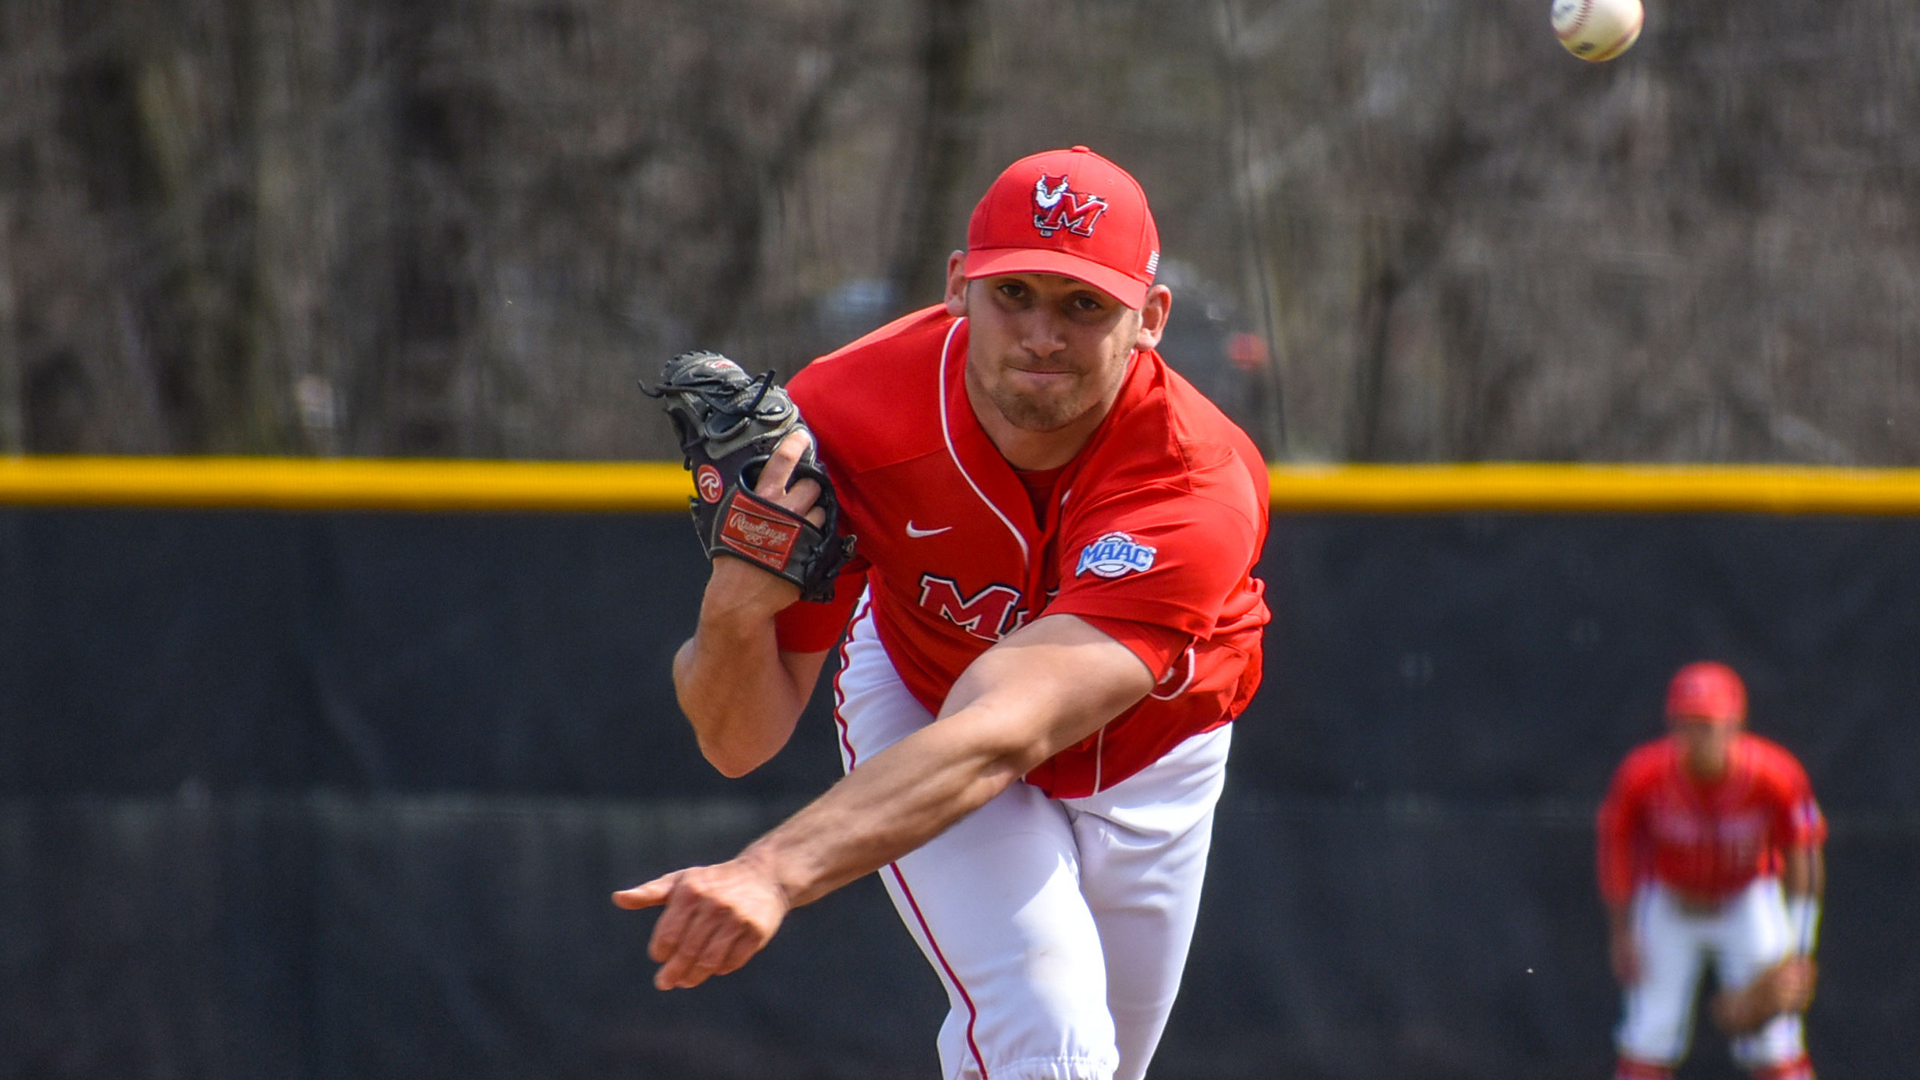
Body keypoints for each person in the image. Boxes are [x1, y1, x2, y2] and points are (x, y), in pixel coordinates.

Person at [613, 145, 1271, 1080]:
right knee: (1051, 1041)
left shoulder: (1196, 479)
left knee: (1106, 1066)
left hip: (1152, 756)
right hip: (921, 695)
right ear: (960, 285)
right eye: (1016, 294)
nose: (1043, 334)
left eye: (1084, 304)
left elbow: (1006, 729)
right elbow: (737, 741)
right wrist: (732, 609)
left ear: (1150, 319)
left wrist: (772, 871)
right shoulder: (849, 415)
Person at [1596, 660, 1827, 1080]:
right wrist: (1622, 930)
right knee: (1648, 1033)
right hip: (1671, 903)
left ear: (1734, 724)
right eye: (1685, 724)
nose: (1695, 737)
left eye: (1707, 724)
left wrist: (1798, 947)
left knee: (1775, 1040)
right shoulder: (1643, 775)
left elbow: (1804, 853)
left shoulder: (1775, 774)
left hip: (1747, 900)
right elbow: (1617, 848)